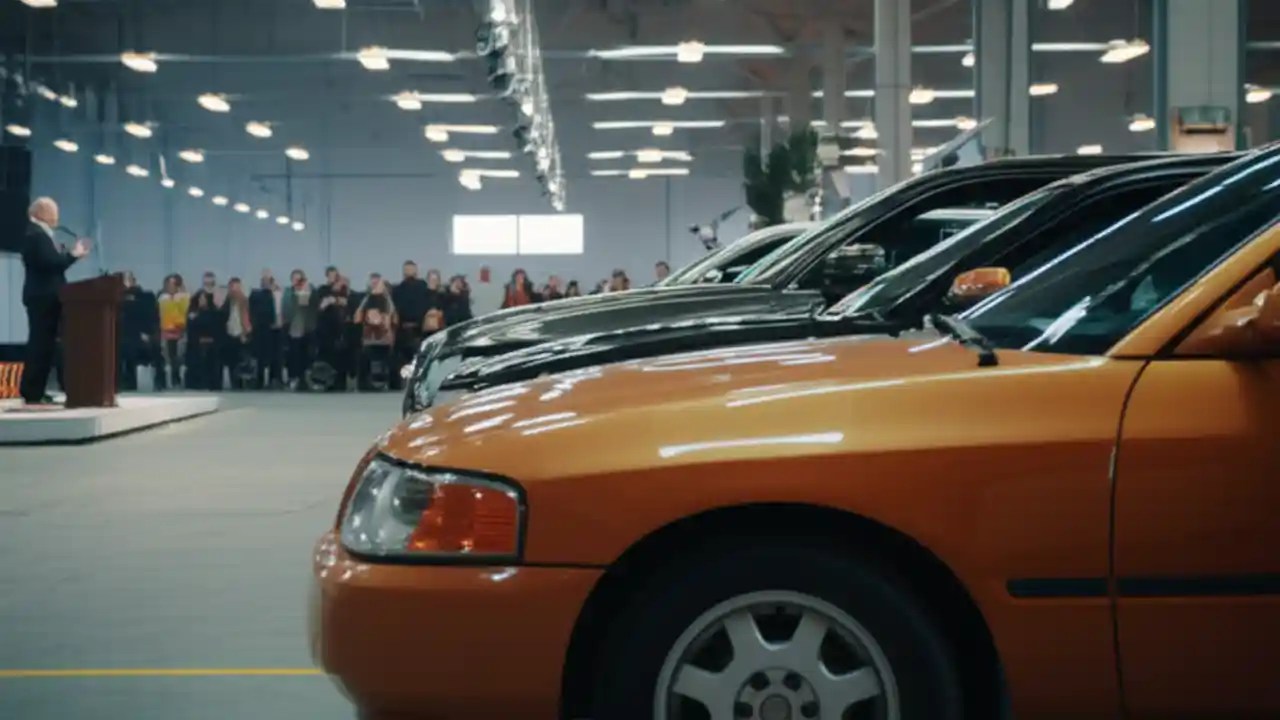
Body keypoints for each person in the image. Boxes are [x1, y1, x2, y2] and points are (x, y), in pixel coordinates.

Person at [18, 198, 89, 406]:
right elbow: (51, 264)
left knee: (45, 345)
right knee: (41, 345)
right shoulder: (36, 235)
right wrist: (73, 255)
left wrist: (67, 256)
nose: (57, 217)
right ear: (41, 213)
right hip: (43, 297)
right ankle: (32, 391)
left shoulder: (38, 235)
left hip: (44, 296)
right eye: (53, 212)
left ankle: (36, 390)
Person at [118, 271, 160, 392]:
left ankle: (132, 382)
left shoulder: (145, 296)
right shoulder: (115, 297)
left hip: (140, 334)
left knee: (134, 348)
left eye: (125, 280)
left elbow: (151, 316)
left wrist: (148, 333)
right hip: (121, 334)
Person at [391, 261, 429, 389]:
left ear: (416, 271)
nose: (409, 273)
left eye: (412, 270)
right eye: (407, 270)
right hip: (402, 328)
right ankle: (397, 383)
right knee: (399, 356)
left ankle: (420, 382)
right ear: (403, 272)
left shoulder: (423, 287)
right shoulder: (398, 290)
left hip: (420, 328)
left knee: (421, 356)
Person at [355, 276, 397, 391]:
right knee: (365, 359)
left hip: (384, 336)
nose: (375, 286)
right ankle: (363, 385)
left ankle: (390, 384)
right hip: (369, 337)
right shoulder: (366, 299)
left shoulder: (387, 300)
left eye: (377, 284)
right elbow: (357, 318)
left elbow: (394, 318)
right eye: (373, 284)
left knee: (388, 359)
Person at [315, 274, 355, 391]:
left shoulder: (351, 296)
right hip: (329, 333)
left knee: (343, 360)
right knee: (329, 359)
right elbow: (320, 310)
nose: (342, 285)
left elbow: (353, 310)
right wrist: (328, 302)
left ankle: (342, 383)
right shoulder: (326, 295)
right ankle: (328, 382)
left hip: (345, 333)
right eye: (340, 283)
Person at [186, 272, 224, 390]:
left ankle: (214, 384)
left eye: (210, 282)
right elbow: (191, 317)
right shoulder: (196, 297)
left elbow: (222, 318)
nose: (208, 285)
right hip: (198, 337)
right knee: (198, 360)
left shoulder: (219, 297)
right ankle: (199, 383)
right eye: (206, 283)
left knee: (215, 362)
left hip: (216, 336)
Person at [248, 269, 284, 389]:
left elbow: (281, 310)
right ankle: (259, 380)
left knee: (277, 357)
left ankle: (275, 380)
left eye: (269, 280)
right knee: (261, 357)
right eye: (264, 280)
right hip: (262, 329)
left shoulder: (279, 294)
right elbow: (253, 312)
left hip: (278, 329)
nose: (267, 282)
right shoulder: (256, 294)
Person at [282, 269, 317, 390]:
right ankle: (294, 378)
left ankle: (306, 379)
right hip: (294, 330)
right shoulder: (288, 293)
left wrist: (306, 290)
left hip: (308, 329)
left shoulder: (310, 291)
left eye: (300, 279)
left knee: (307, 356)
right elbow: (286, 311)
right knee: (294, 356)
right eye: (295, 279)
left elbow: (313, 306)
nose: (297, 281)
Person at [157, 274, 189, 390]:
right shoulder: (161, 298)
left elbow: (184, 313)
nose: (170, 286)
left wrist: (177, 299)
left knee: (178, 357)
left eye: (172, 284)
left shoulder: (183, 298)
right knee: (167, 357)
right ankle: (165, 382)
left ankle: (177, 380)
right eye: (168, 284)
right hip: (165, 332)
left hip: (180, 332)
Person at [220, 277, 253, 390]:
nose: (234, 290)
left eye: (237, 287)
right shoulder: (226, 302)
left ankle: (242, 383)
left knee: (242, 361)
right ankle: (233, 383)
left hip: (241, 334)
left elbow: (249, 318)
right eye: (232, 287)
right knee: (230, 361)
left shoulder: (245, 301)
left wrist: (246, 332)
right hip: (229, 334)